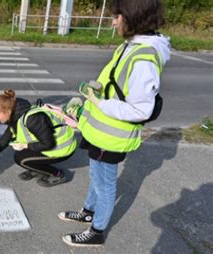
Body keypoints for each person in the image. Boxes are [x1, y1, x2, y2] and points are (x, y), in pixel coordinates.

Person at [58, 0, 171, 247]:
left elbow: (142, 109)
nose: (114, 21)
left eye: (118, 16)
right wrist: (89, 106)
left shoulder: (144, 57)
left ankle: (97, 231)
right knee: (95, 176)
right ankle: (88, 211)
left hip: (113, 134)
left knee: (105, 183)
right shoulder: (131, 46)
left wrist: (100, 105)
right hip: (100, 130)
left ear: (134, 17)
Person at [0, 89, 77, 187]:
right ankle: (38, 169)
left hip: (63, 147)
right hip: (51, 143)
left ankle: (58, 174)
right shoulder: (15, 116)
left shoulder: (32, 119)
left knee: (21, 159)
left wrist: (25, 145)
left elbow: (48, 143)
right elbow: (6, 137)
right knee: (22, 155)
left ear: (8, 111)